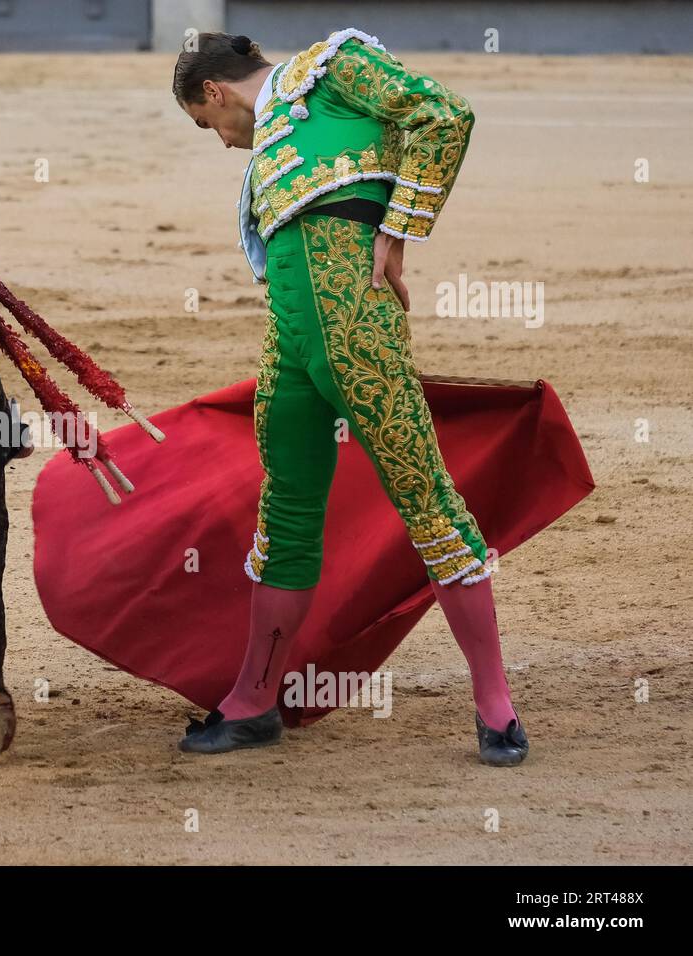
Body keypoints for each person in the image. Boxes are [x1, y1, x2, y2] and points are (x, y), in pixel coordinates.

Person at [172, 27, 528, 765]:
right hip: (290, 340)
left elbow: (443, 113)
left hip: (359, 325)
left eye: (210, 126)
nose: (223, 143)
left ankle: (496, 707)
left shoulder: (335, 66)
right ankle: (253, 701)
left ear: (214, 92)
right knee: (287, 513)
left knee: (426, 498)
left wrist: (398, 232)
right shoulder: (271, 140)